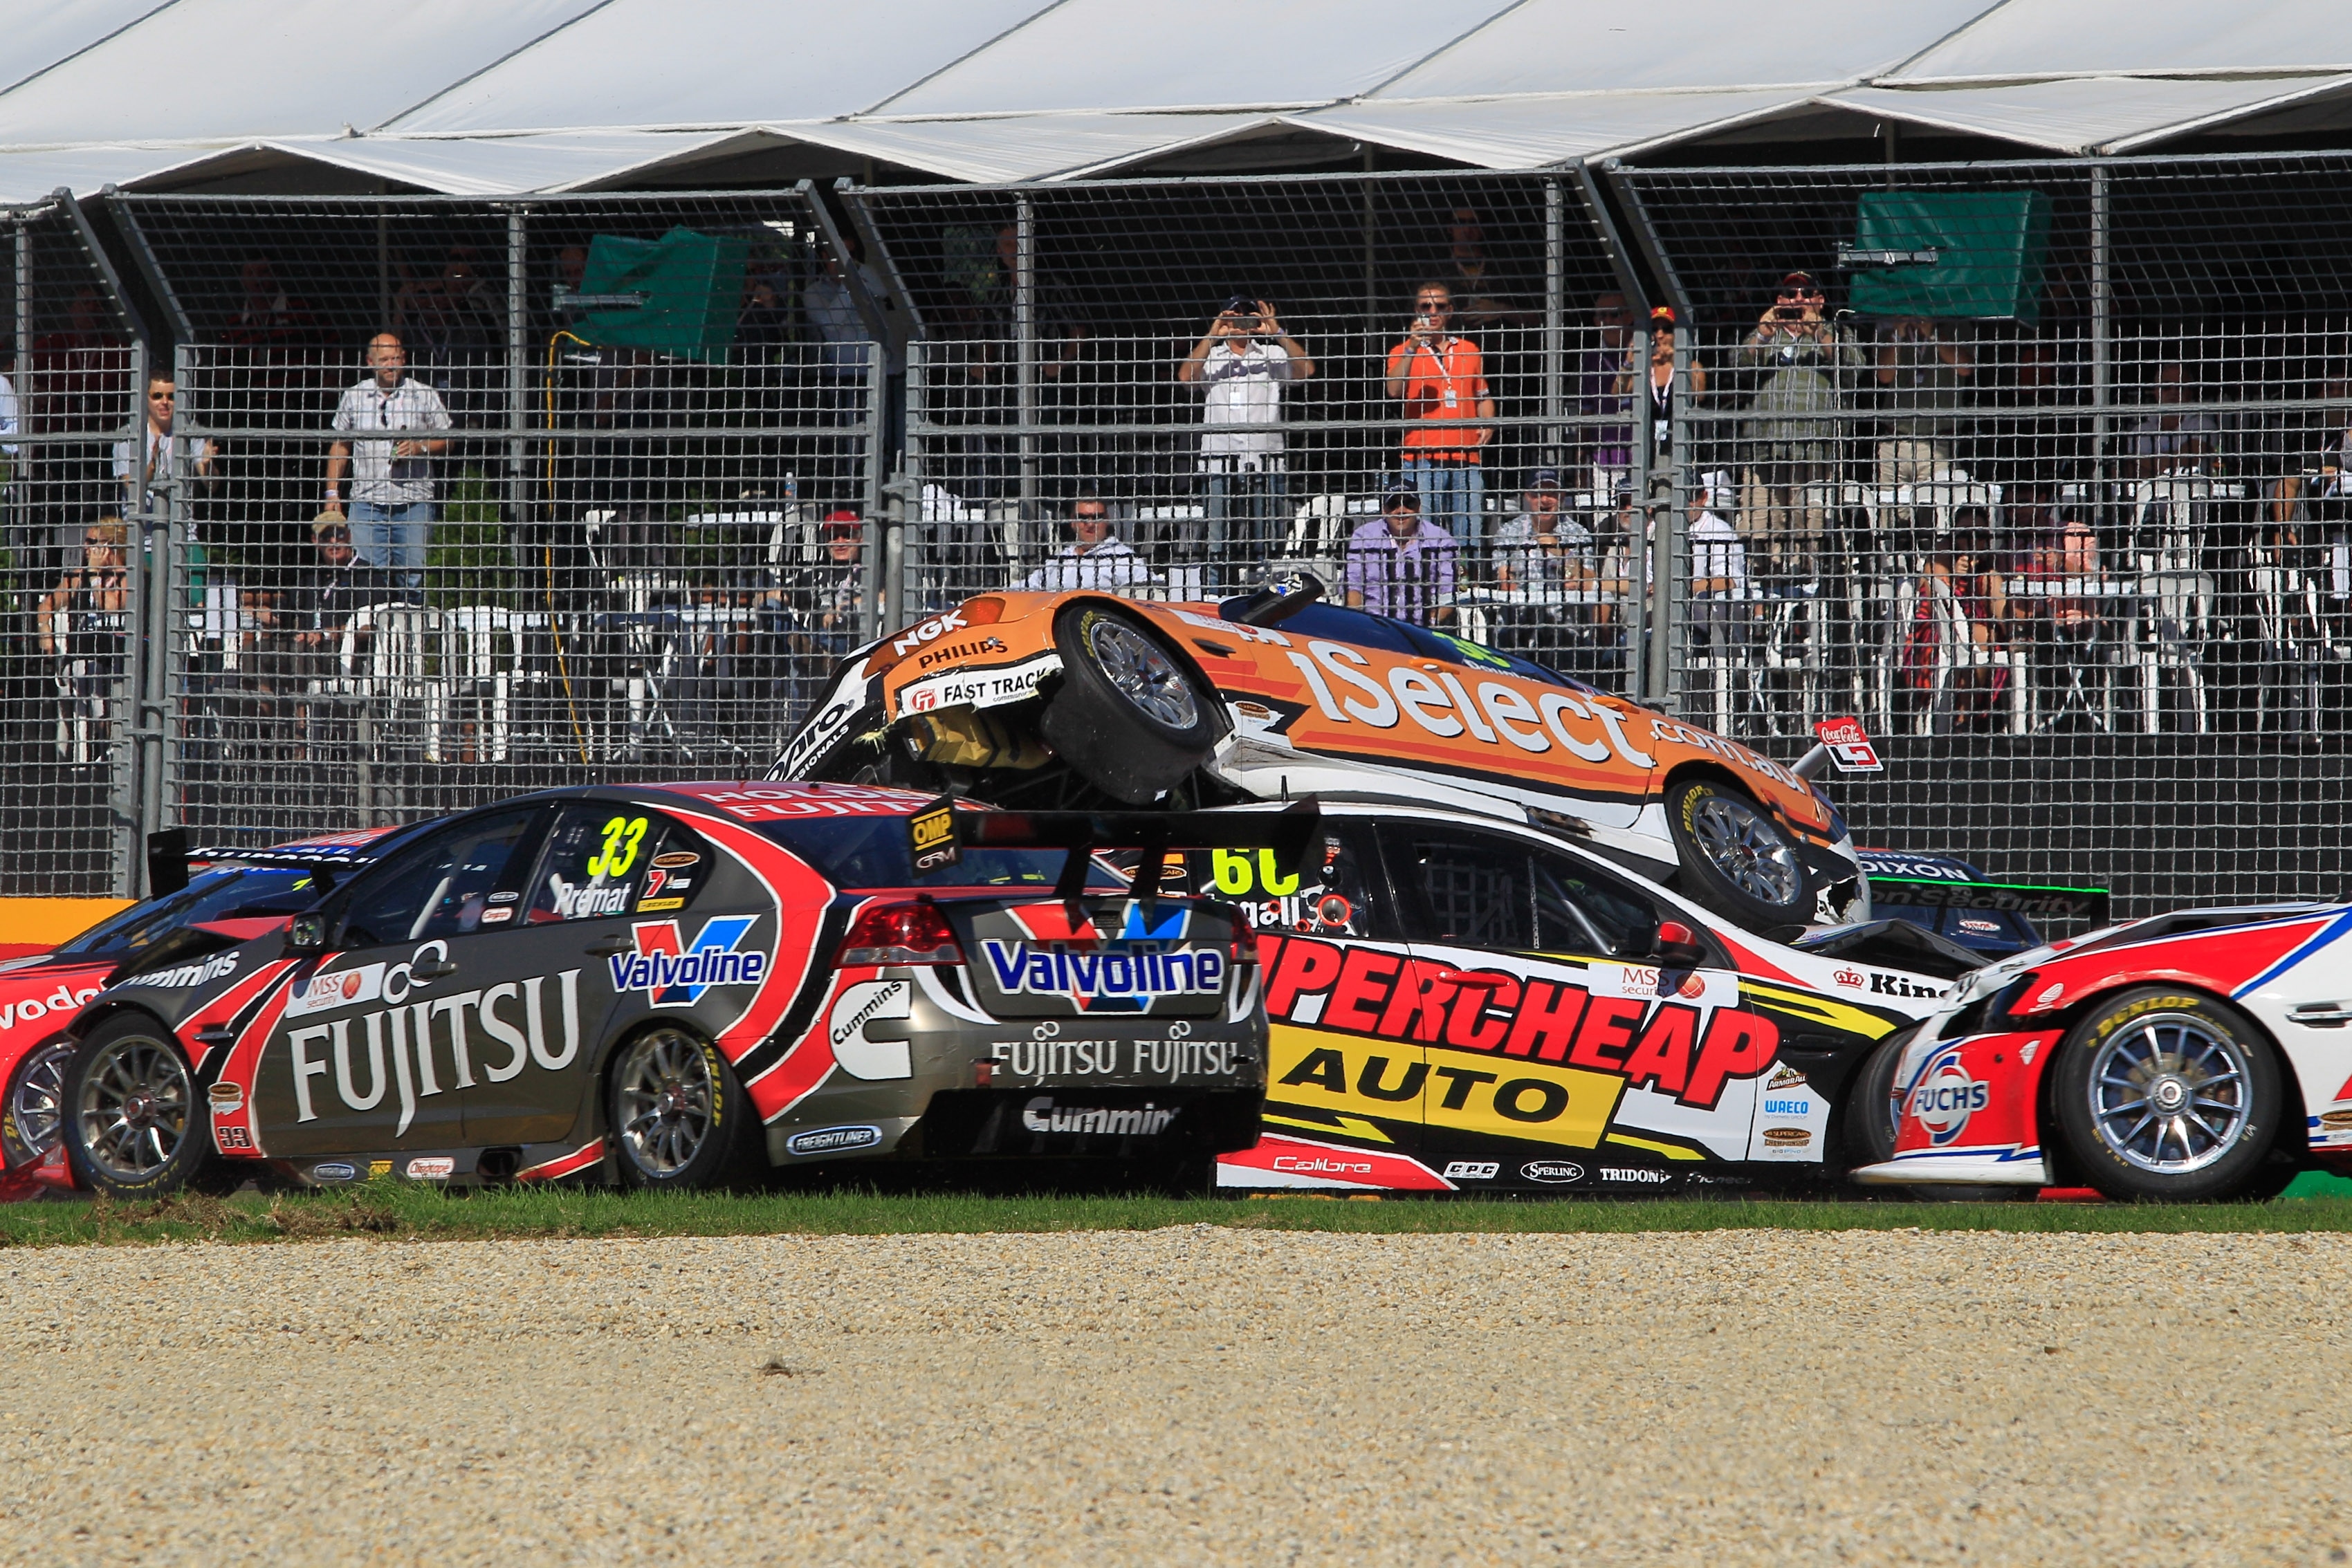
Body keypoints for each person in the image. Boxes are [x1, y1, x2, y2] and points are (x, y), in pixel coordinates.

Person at [1179, 295, 1315, 585]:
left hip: (1264, 458)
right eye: (1235, 314)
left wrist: (1277, 332)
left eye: (1247, 314)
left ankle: (1266, 593)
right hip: (1219, 458)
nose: (1241, 320)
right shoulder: (1212, 355)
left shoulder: (1270, 353)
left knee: (1267, 535)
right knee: (1217, 536)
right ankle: (1217, 592)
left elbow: (1306, 371)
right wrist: (1213, 333)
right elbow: (1186, 378)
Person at [1738, 271, 1861, 572]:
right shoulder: (1766, 333)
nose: (1798, 299)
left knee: (1810, 538)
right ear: (1779, 300)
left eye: (1805, 294)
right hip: (1764, 453)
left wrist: (1820, 334)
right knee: (1760, 536)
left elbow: (1855, 368)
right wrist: (1763, 335)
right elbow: (1736, 367)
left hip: (1815, 453)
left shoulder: (1836, 331)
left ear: (1820, 300)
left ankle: (1808, 588)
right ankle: (1764, 590)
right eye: (1791, 294)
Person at [322, 333, 451, 587]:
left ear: (404, 359)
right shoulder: (354, 396)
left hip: (414, 501)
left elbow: (447, 439)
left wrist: (419, 447)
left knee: (415, 577)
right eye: (384, 360)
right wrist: (332, 493)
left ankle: (413, 615)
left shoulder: (424, 394)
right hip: (367, 502)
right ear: (370, 362)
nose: (391, 365)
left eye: (396, 359)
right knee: (366, 578)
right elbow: (340, 445)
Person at [1385, 282, 1496, 555]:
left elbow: (1483, 396)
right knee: (1423, 532)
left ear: (1450, 310)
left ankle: (1465, 577)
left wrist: (1489, 423)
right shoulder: (1402, 350)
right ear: (1416, 310)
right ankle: (1427, 578)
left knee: (1469, 531)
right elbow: (1393, 390)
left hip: (1465, 455)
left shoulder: (1469, 349)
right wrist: (1412, 347)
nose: (1433, 312)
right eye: (1426, 306)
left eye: (1440, 306)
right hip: (1421, 455)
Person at [249, 515, 410, 690]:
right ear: (316, 541)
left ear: (349, 536)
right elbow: (282, 613)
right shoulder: (311, 577)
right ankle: (261, 707)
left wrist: (324, 634)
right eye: (326, 536)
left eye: (339, 534)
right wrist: (247, 610)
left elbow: (369, 627)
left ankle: (303, 708)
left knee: (301, 652)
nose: (334, 541)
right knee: (253, 652)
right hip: (303, 646)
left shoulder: (366, 575)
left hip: (343, 652)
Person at [37, 517, 131, 759]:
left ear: (110, 546)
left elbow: (111, 606)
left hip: (116, 654)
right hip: (83, 655)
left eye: (92, 542)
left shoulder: (127, 577)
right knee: (84, 674)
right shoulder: (80, 576)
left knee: (100, 679)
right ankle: (88, 751)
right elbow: (47, 605)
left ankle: (106, 749)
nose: (85, 548)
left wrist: (96, 576)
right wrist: (46, 635)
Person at [1492, 468, 1597, 667]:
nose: (1545, 500)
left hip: (1563, 623)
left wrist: (1561, 552)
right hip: (1517, 619)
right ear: (1527, 497)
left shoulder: (1578, 533)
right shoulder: (1509, 532)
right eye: (1538, 493)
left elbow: (1588, 581)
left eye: (1552, 493)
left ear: (1562, 497)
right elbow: (1505, 582)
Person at [1874, 317, 1972, 486]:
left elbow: (1966, 368)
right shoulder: (1892, 328)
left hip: (1938, 442)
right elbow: (1884, 375)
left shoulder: (1956, 326)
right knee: (1889, 501)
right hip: (1896, 441)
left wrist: (1934, 334)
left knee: (1936, 499)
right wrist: (1897, 336)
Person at [1345, 484, 1458, 627]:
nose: (1401, 510)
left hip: (1423, 629)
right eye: (1394, 505)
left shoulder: (1441, 539)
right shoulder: (1364, 537)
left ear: (1419, 508)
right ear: (1384, 510)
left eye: (1409, 504)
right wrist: (1360, 626)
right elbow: (1353, 587)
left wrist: (1429, 626)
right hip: (1374, 626)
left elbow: (1447, 594)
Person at [111, 373, 217, 513]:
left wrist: (207, 465)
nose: (165, 402)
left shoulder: (188, 431)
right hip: (141, 523)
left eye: (171, 396)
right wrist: (151, 468)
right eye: (157, 396)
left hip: (181, 522)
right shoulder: (128, 435)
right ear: (145, 398)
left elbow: (212, 486)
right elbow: (131, 489)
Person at [1017, 493, 1157, 593]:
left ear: (1107, 520)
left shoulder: (1122, 558)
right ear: (1073, 522)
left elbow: (1153, 590)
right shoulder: (1060, 559)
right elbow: (1029, 586)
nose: (1090, 524)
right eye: (1083, 518)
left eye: (1097, 517)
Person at [2127, 360, 2220, 479]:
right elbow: (2127, 471)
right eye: (2166, 387)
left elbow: (2180, 462)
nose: (2174, 392)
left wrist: (2137, 460)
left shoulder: (2203, 426)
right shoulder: (2140, 430)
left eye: (2180, 387)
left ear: (2190, 392)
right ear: (2156, 391)